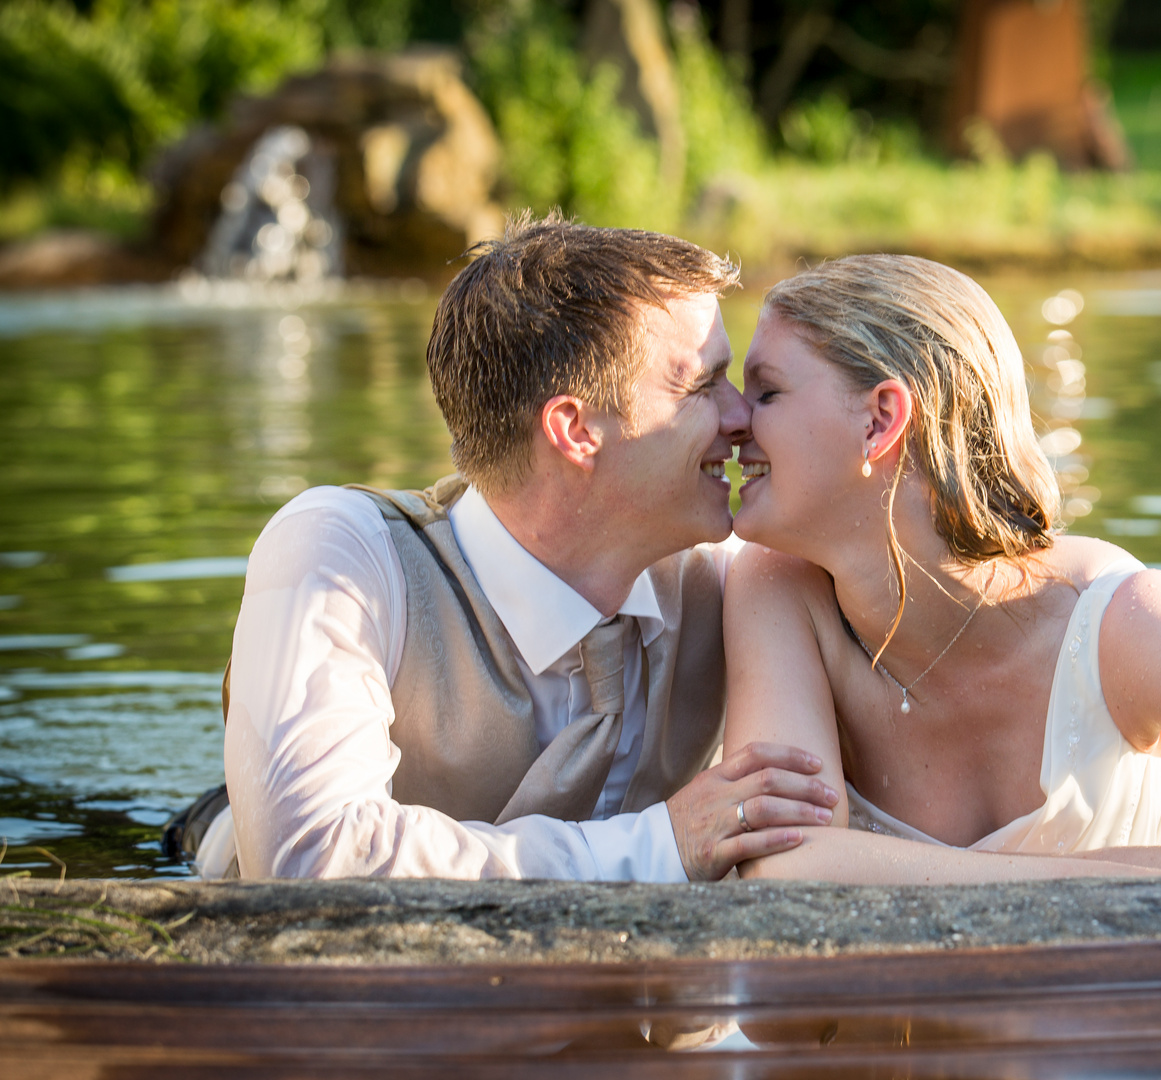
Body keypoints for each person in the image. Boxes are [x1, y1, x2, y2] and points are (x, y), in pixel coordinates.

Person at [185, 212, 839, 882]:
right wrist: (659, 848)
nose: (742, 419)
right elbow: (304, 863)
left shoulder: (740, 592)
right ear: (576, 430)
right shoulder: (343, 556)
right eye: (703, 384)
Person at [721, 254, 1161, 884]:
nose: (733, 420)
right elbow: (780, 864)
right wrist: (1116, 880)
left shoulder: (1124, 625)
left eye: (767, 391)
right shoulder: (775, 587)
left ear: (880, 419)